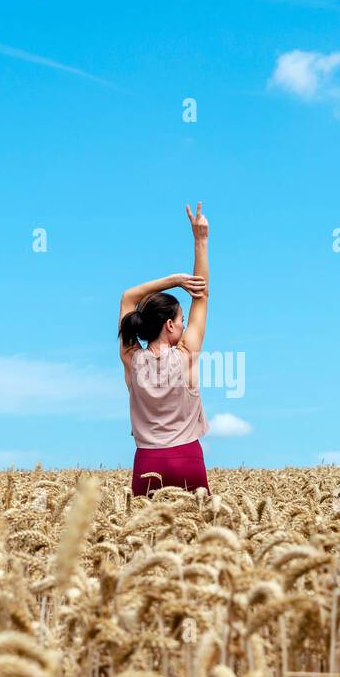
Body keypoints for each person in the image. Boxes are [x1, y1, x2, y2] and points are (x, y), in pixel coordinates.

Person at [118, 202, 211, 496]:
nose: (184, 326)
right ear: (169, 325)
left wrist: (172, 280)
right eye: (181, 321)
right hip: (188, 459)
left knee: (145, 540)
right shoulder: (186, 355)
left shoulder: (131, 359)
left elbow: (128, 297)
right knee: (200, 535)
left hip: (148, 461)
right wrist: (200, 240)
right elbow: (202, 295)